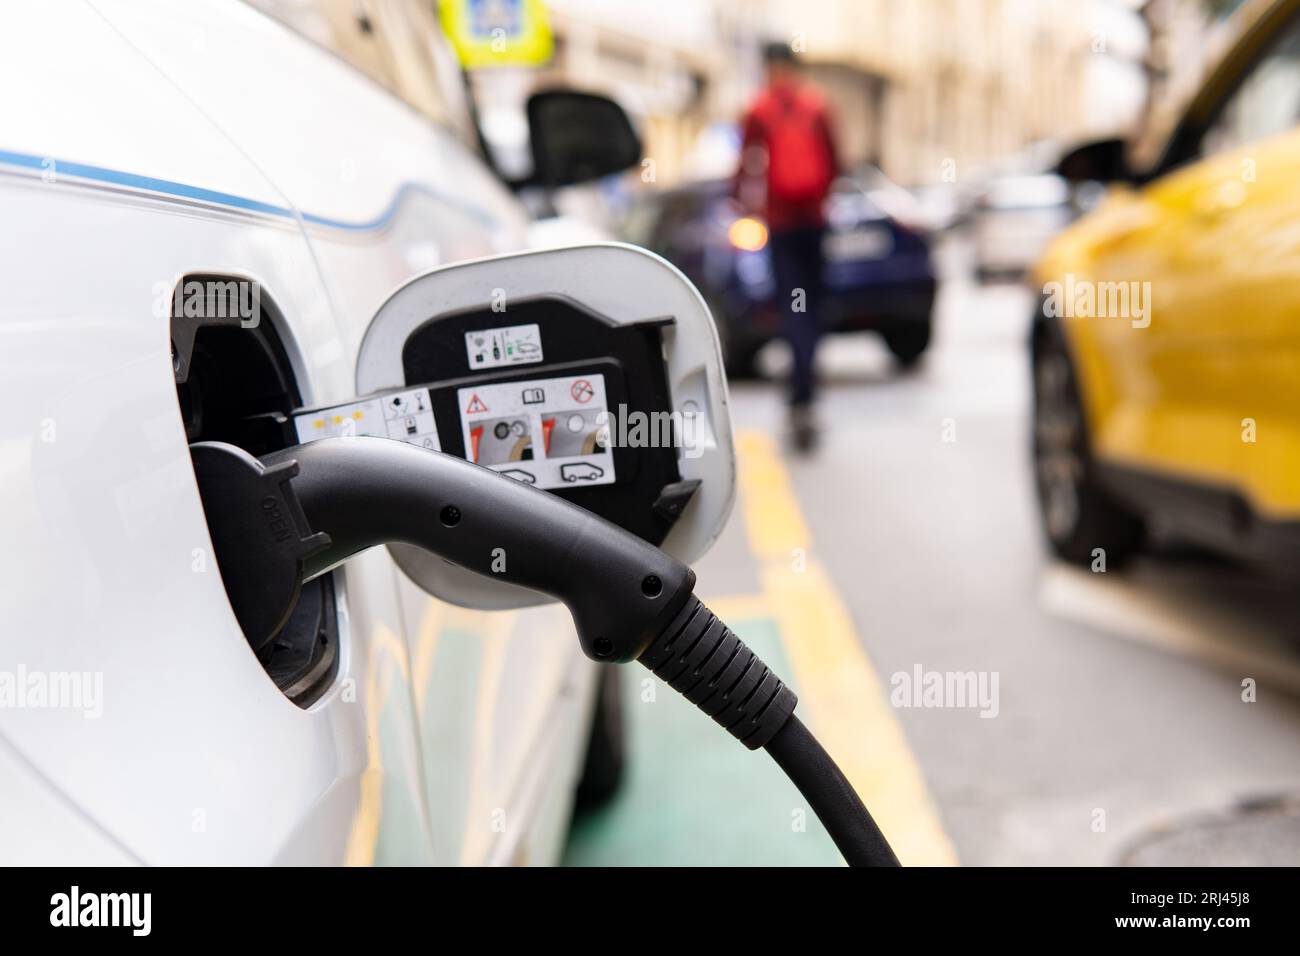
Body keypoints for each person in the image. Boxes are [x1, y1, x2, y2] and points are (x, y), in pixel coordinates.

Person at [735, 40, 839, 452]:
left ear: (768, 66)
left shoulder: (758, 108)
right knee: (812, 306)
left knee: (791, 307)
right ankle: (807, 387)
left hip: (780, 224)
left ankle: (798, 394)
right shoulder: (817, 105)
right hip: (813, 222)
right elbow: (836, 163)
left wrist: (742, 203)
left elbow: (744, 166)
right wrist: (822, 199)